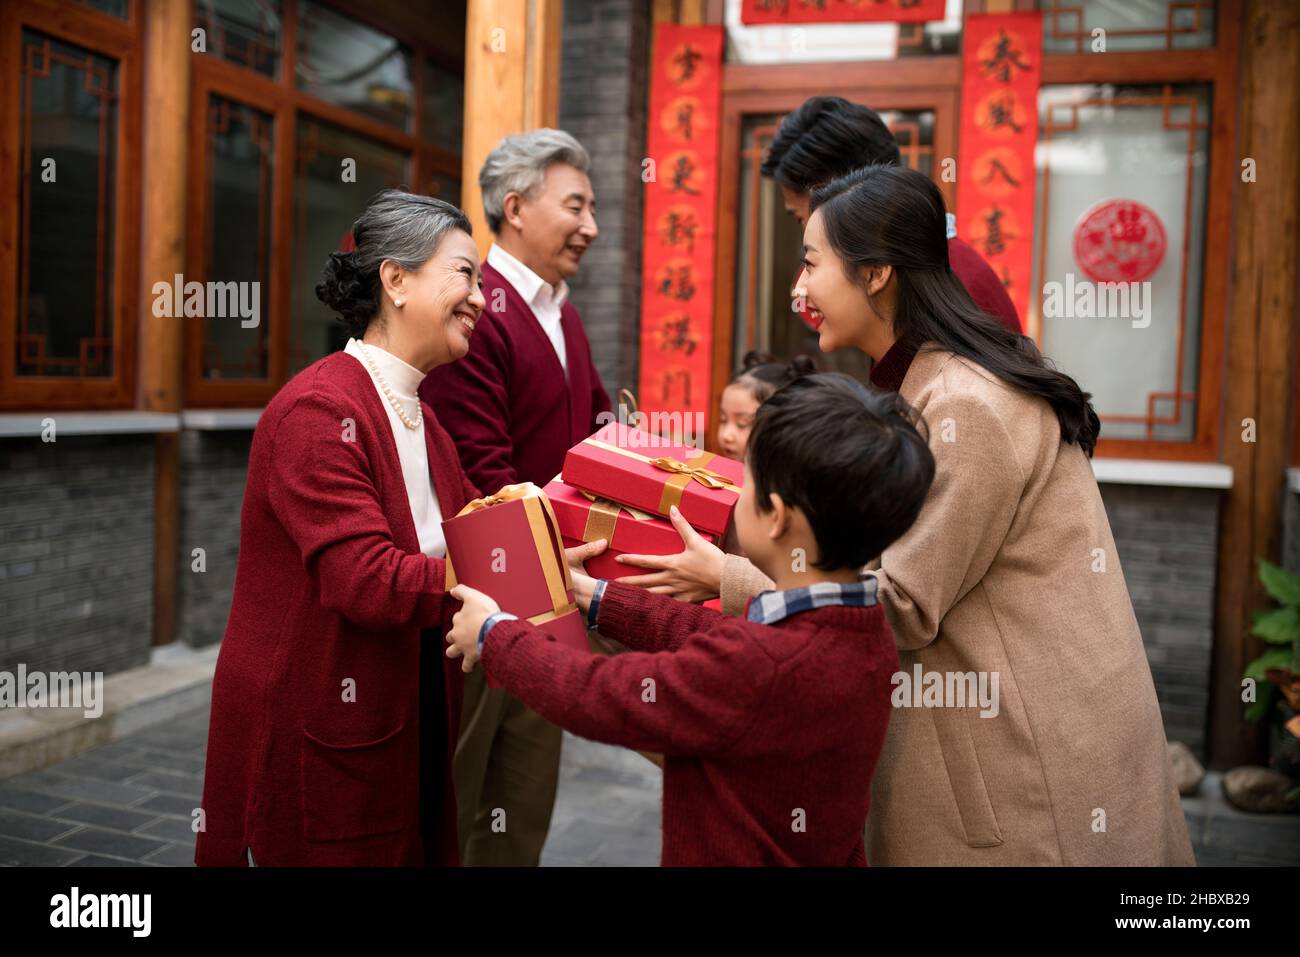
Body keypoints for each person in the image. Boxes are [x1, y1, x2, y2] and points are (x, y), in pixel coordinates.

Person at [619, 164, 1196, 866]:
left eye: (811, 263)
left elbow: (898, 606)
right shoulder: (932, 381)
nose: (798, 291)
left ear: (875, 274)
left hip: (1024, 769)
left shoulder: (965, 406)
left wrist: (729, 577)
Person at [444, 375, 936, 865]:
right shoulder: (861, 626)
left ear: (777, 517)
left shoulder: (762, 665)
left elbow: (600, 694)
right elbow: (713, 636)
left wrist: (495, 635)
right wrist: (591, 594)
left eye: (748, 481)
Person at [196, 190, 487, 866]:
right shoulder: (319, 410)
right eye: (466, 274)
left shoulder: (422, 416)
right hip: (315, 721)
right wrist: (513, 559)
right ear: (395, 279)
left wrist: (556, 529)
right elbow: (369, 581)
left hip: (404, 710)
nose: (479, 298)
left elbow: (478, 525)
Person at [419, 129, 611, 867]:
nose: (591, 226)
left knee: (522, 801)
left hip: (553, 594)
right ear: (515, 207)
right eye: (576, 206)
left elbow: (594, 436)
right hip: (488, 595)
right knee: (466, 792)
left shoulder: (560, 309)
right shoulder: (481, 308)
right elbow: (484, 473)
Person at [761, 95, 1022, 336]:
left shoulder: (940, 285)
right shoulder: (923, 272)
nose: (801, 287)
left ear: (850, 191)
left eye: (803, 218)